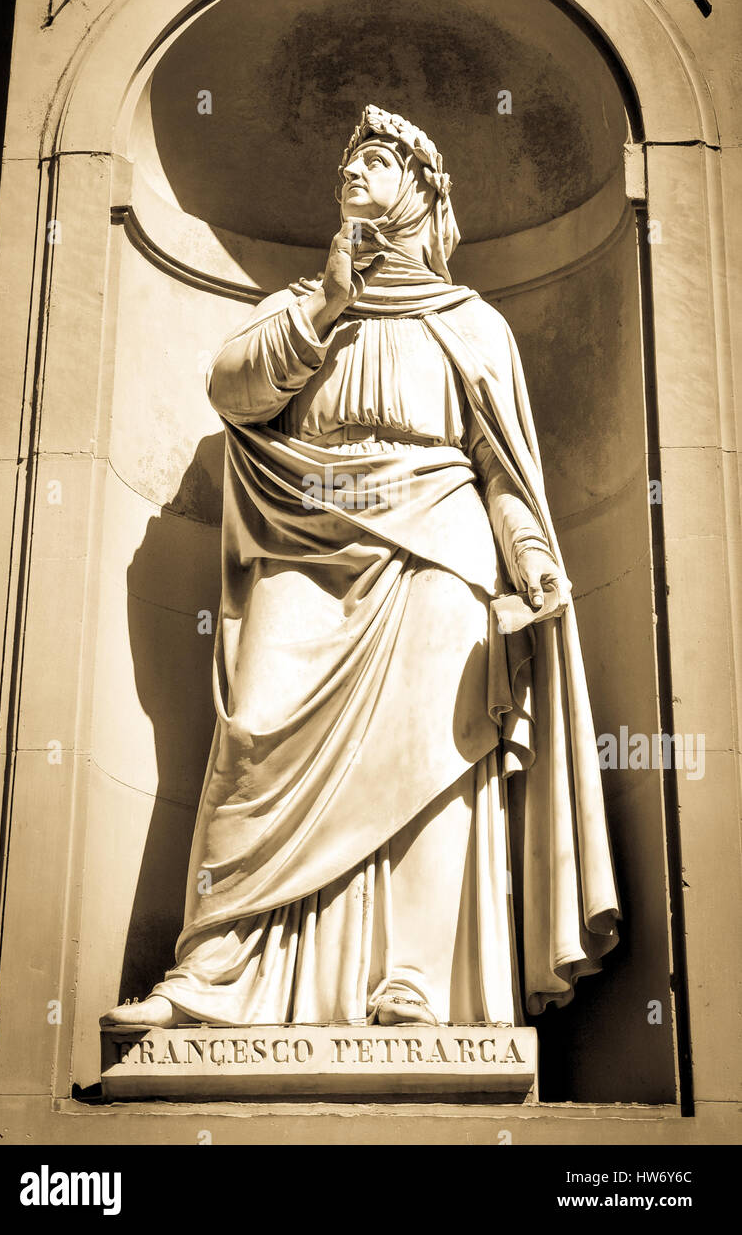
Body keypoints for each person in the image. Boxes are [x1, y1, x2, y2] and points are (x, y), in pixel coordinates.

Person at [101, 104, 620, 1031]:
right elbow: (232, 388)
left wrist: (534, 559)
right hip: (305, 534)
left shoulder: (473, 326)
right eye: (349, 162)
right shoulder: (302, 306)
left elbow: (505, 476)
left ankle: (416, 977)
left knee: (434, 751)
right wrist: (329, 304)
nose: (353, 173)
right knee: (255, 726)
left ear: (423, 190)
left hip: (441, 545)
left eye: (376, 159)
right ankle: (219, 971)